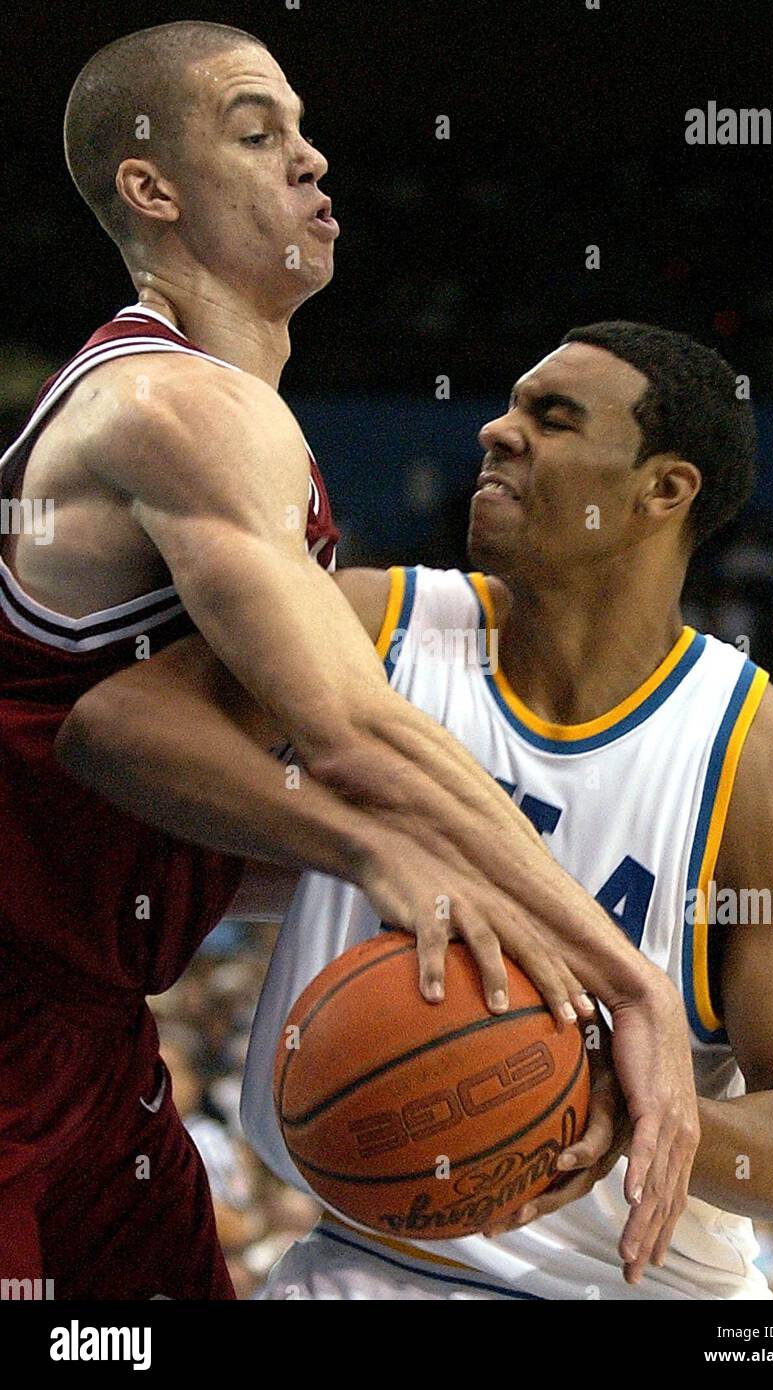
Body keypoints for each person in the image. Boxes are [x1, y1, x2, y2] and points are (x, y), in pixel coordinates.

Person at [0, 21, 695, 1300]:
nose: (311, 159)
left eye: (304, 129)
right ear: (152, 189)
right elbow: (351, 736)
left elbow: (117, 787)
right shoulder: (174, 407)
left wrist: (447, 885)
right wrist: (630, 984)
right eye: (255, 132)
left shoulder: (237, 421)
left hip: (82, 1034)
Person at [59, 322, 773, 1297]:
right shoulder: (377, 628)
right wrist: (363, 843)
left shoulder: (768, 767)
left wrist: (624, 1112)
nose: (496, 431)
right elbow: (109, 725)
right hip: (357, 1261)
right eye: (510, 406)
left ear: (663, 489)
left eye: (553, 418)